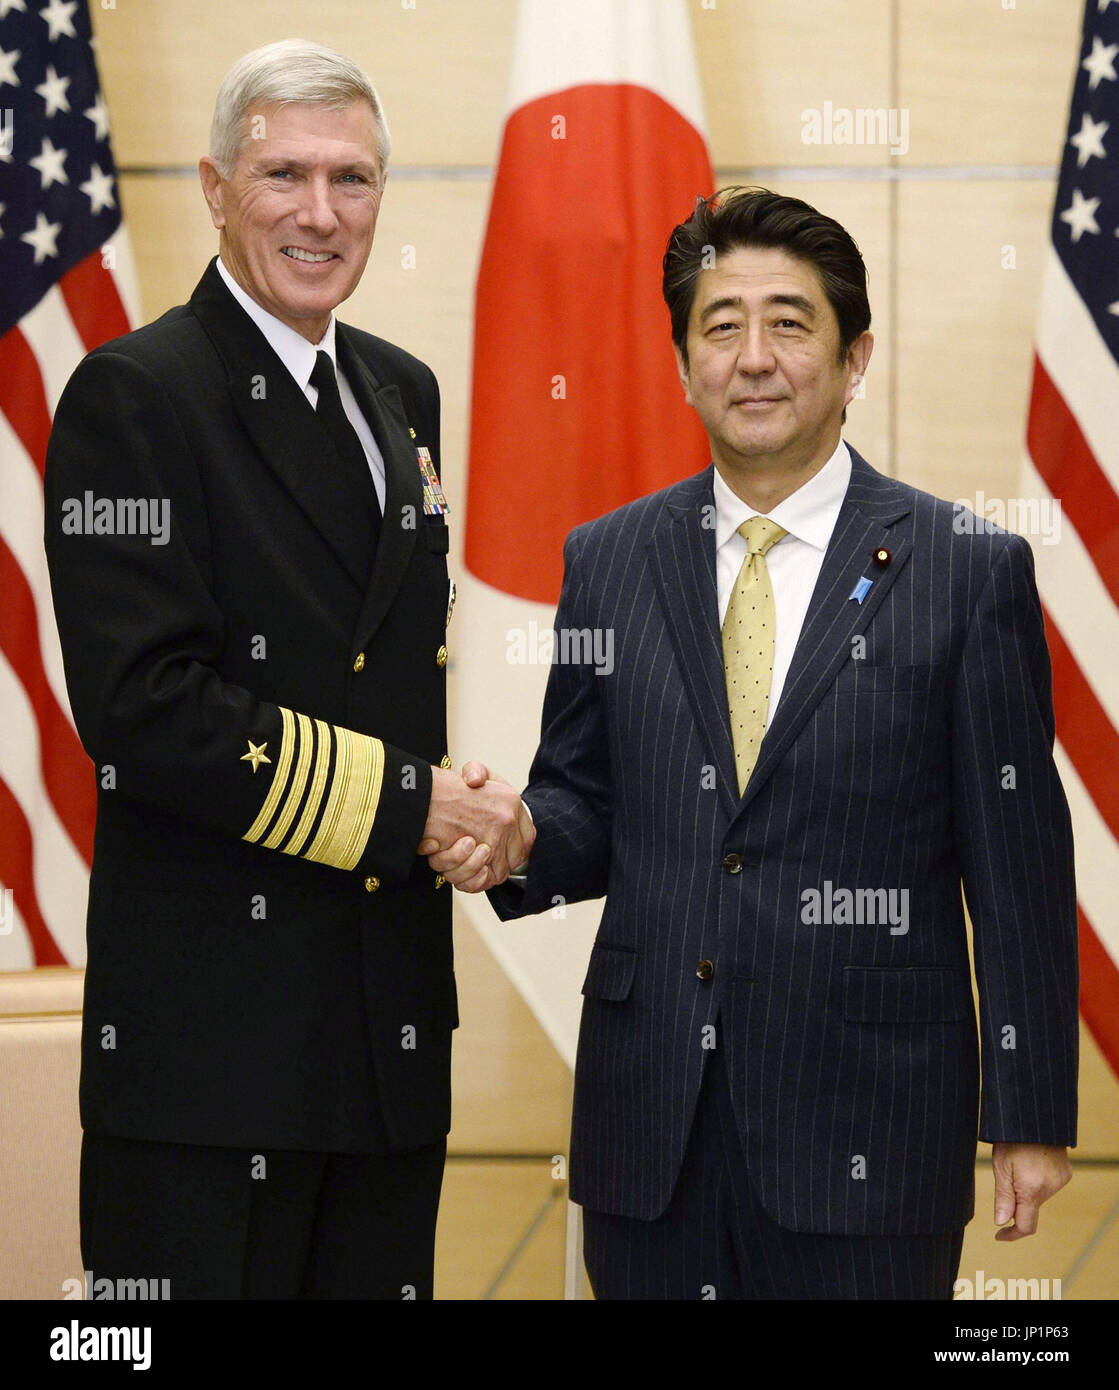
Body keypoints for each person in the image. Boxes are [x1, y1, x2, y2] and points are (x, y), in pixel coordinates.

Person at [431, 187, 1079, 1299]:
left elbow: (1017, 867)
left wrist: (1028, 1114)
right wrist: (523, 833)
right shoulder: (612, 558)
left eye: (791, 321)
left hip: (871, 1130)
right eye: (721, 325)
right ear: (684, 362)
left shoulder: (967, 571)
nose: (755, 357)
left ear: (854, 353)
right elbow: (586, 801)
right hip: (652, 1131)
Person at [44, 37, 531, 1300]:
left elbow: (383, 675)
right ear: (215, 187)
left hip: (383, 1039)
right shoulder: (134, 394)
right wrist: (415, 805)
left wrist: (470, 814)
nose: (322, 214)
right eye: (285, 176)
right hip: (213, 1058)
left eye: (354, 180)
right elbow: (144, 710)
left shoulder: (399, 394)